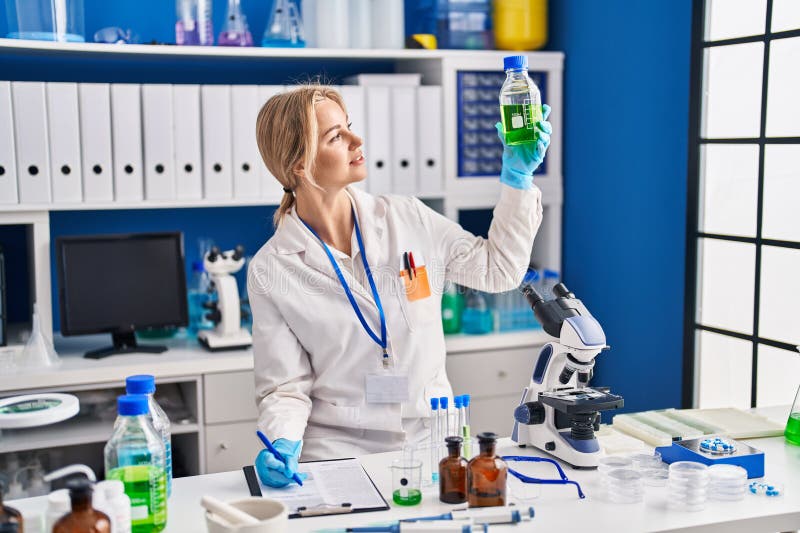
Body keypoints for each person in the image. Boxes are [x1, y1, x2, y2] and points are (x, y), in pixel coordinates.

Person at [248, 84, 552, 487]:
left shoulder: (406, 216)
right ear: (300, 165)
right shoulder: (273, 268)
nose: (358, 141)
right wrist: (281, 442)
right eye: (336, 136)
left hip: (432, 437)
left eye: (349, 127)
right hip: (339, 447)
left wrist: (517, 179)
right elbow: (285, 387)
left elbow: (498, 270)